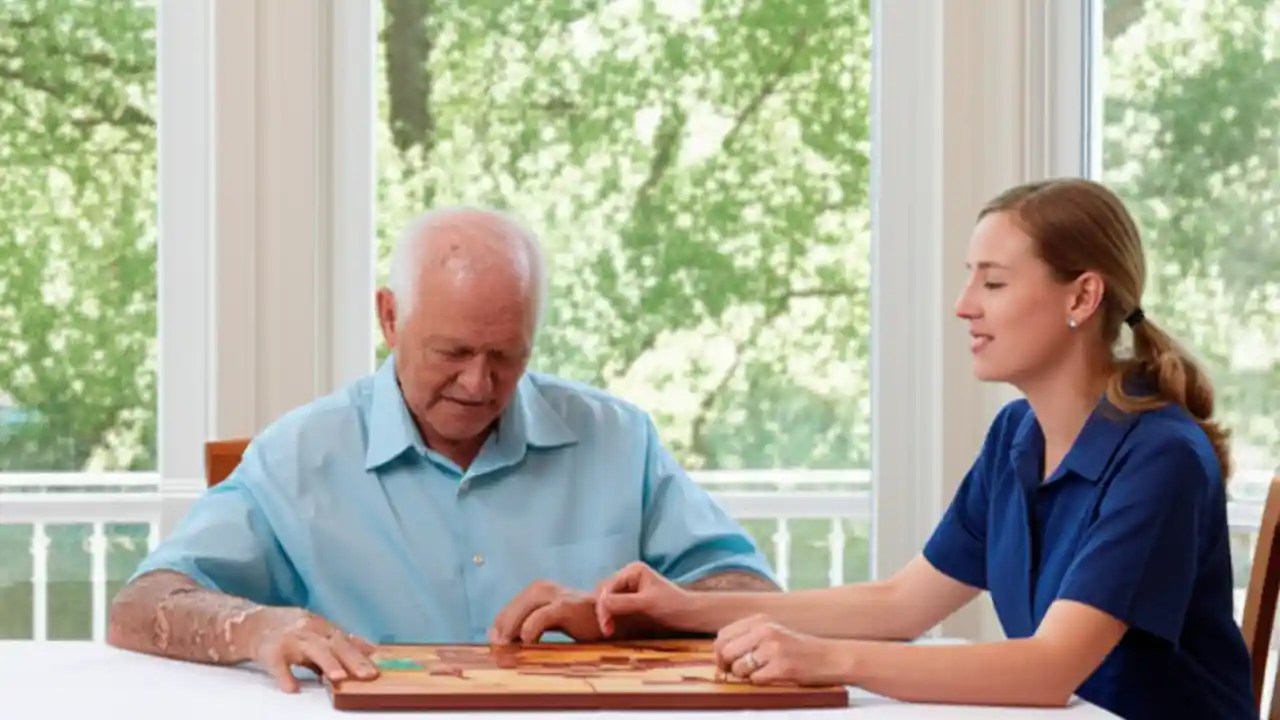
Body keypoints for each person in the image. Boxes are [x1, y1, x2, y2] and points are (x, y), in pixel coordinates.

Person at [592, 179, 1256, 720]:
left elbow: (1050, 668)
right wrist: (680, 608)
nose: (964, 305)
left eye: (993, 283)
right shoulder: (1014, 440)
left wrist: (824, 657)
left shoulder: (1160, 457)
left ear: (1082, 295)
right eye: (970, 279)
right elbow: (899, 605)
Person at [107, 207, 777, 692]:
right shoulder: (298, 455)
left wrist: (624, 618)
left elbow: (751, 595)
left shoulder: (620, 441)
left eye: (506, 356)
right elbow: (142, 604)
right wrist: (255, 629)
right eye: (452, 353)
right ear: (390, 318)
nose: (479, 384)